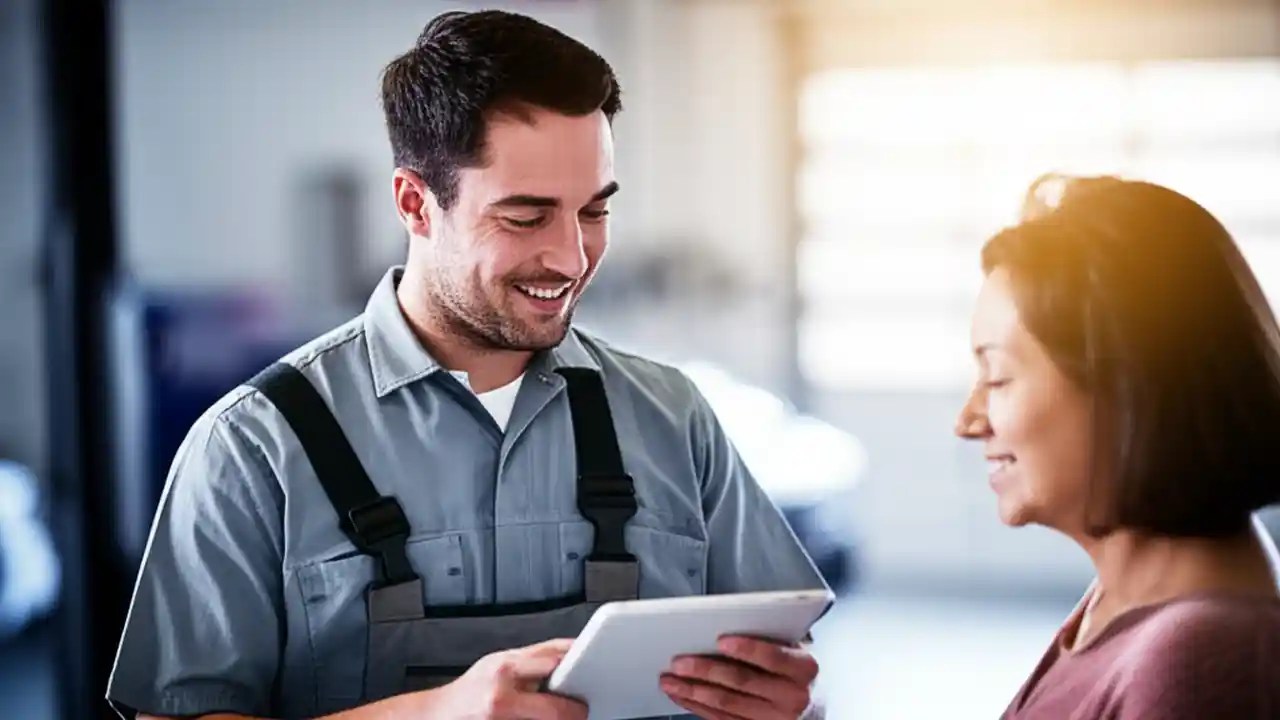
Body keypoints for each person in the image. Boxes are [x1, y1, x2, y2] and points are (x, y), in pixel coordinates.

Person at [107, 10, 827, 720]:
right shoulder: (253, 448)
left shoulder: (674, 418)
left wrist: (787, 702)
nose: (572, 259)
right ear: (416, 203)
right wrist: (429, 715)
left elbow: (791, 669)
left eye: (594, 212)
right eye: (525, 217)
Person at [955, 175, 1280, 719]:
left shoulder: (1197, 661)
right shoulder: (1126, 598)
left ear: (1125, 387)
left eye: (999, 378)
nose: (968, 421)